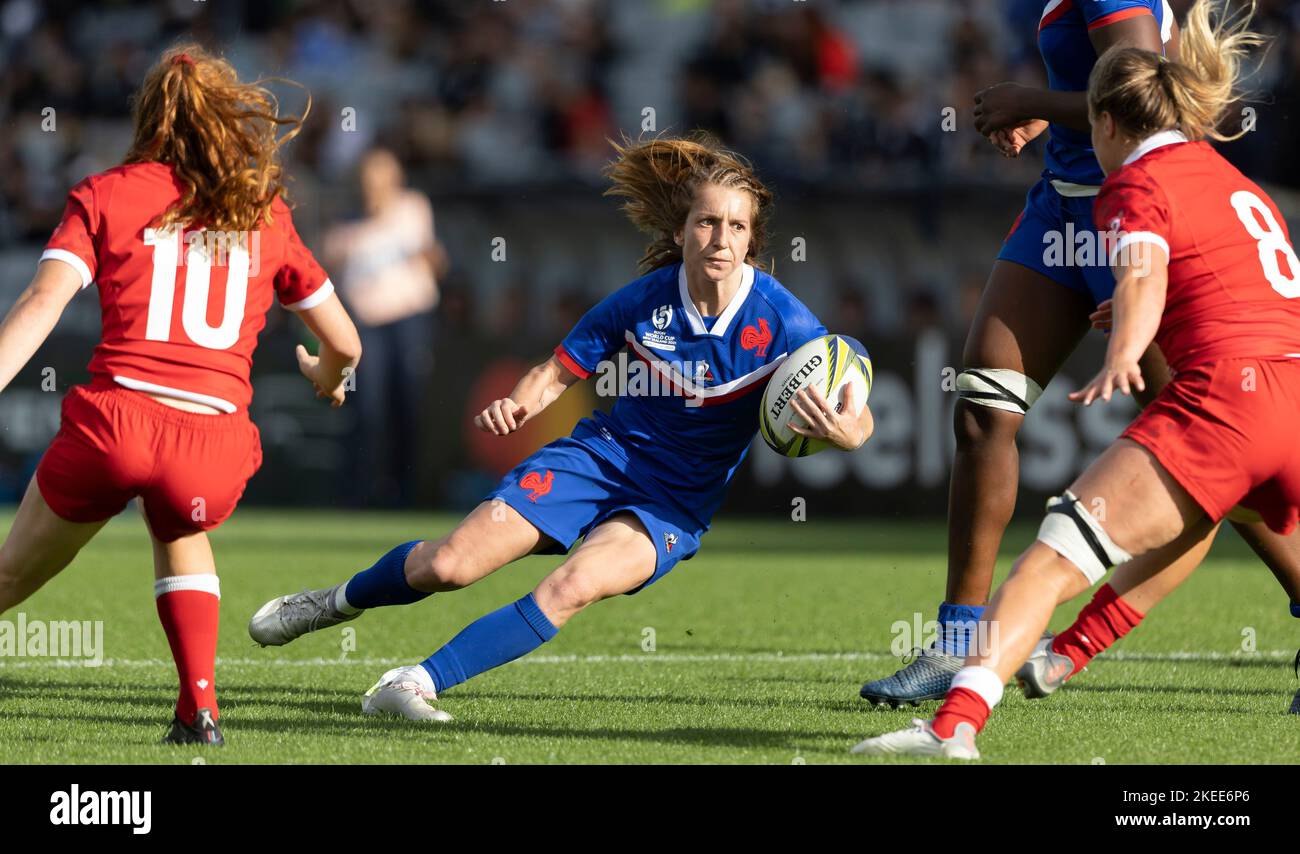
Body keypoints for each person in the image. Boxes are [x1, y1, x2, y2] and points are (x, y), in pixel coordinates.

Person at [248, 135, 873, 720]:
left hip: (674, 504)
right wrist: (521, 405)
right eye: (707, 222)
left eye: (736, 227)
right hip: (599, 459)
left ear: (752, 241)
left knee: (572, 586)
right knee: (449, 566)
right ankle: (332, 602)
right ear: (682, 227)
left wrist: (851, 433)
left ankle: (413, 682)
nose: (720, 238)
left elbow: (853, 393)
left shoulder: (785, 323)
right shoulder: (641, 300)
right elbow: (556, 370)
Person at [854, 0, 1298, 758]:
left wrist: (1031, 102)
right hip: (1067, 211)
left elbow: (1131, 88)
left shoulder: (1135, 142)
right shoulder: (1223, 178)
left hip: (1133, 214)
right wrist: (1049, 121)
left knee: (1199, 465)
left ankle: (972, 707)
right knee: (982, 407)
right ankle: (970, 640)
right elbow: (1119, 91)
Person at [0, 45, 361, 746]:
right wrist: (330, 375)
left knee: (11, 573)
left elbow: (41, 305)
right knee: (180, 519)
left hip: (119, 426)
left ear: (148, 117)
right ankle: (200, 709)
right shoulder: (264, 211)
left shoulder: (107, 192)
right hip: (212, 445)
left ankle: (199, 707)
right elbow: (345, 340)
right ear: (227, 120)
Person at [323, 148, 446, 506]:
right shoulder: (345, 224)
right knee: (367, 409)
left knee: (407, 405)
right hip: (366, 326)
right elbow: (328, 269)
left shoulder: (412, 209)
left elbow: (435, 259)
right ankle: (363, 492)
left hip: (409, 319)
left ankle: (405, 493)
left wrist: (429, 257)